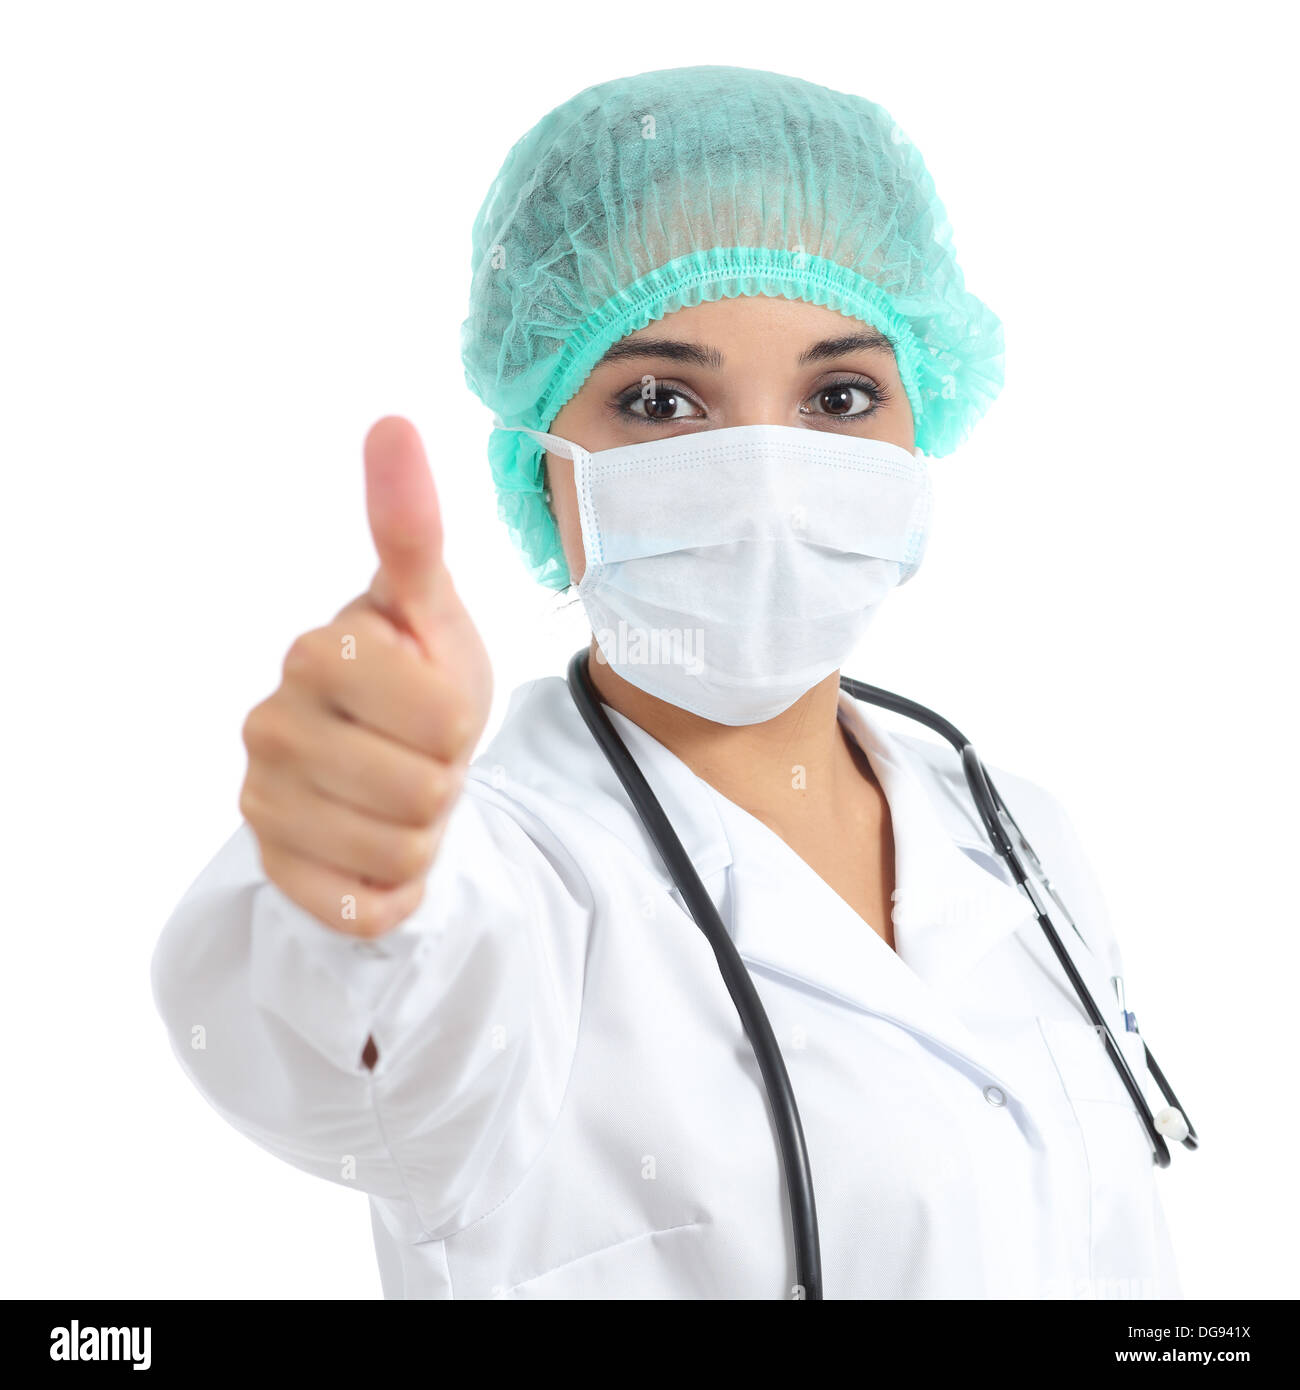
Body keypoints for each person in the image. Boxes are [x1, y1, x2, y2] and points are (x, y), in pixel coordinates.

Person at [150, 65, 1182, 1300]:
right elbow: (349, 1032)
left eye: (839, 395)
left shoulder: (1016, 832)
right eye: (658, 399)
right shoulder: (506, 880)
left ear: (923, 429)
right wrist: (351, 871)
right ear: (542, 471)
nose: (765, 469)